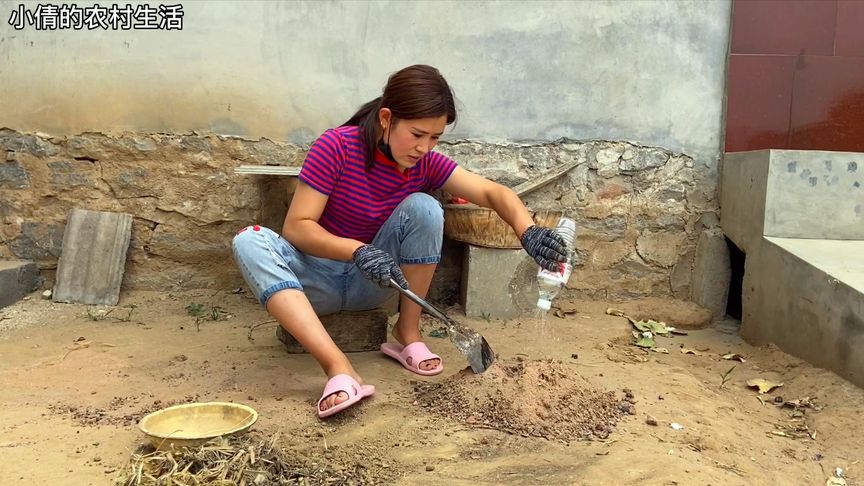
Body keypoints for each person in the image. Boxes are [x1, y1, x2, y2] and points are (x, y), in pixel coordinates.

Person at [232, 64, 568, 418]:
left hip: (373, 284)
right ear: (387, 118)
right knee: (248, 241)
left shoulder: (423, 164)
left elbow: (491, 191)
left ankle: (407, 332)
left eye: (435, 137)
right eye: (418, 134)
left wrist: (526, 229)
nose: (425, 147)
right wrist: (356, 250)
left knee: (425, 207)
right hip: (315, 282)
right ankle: (339, 369)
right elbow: (298, 227)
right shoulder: (336, 147)